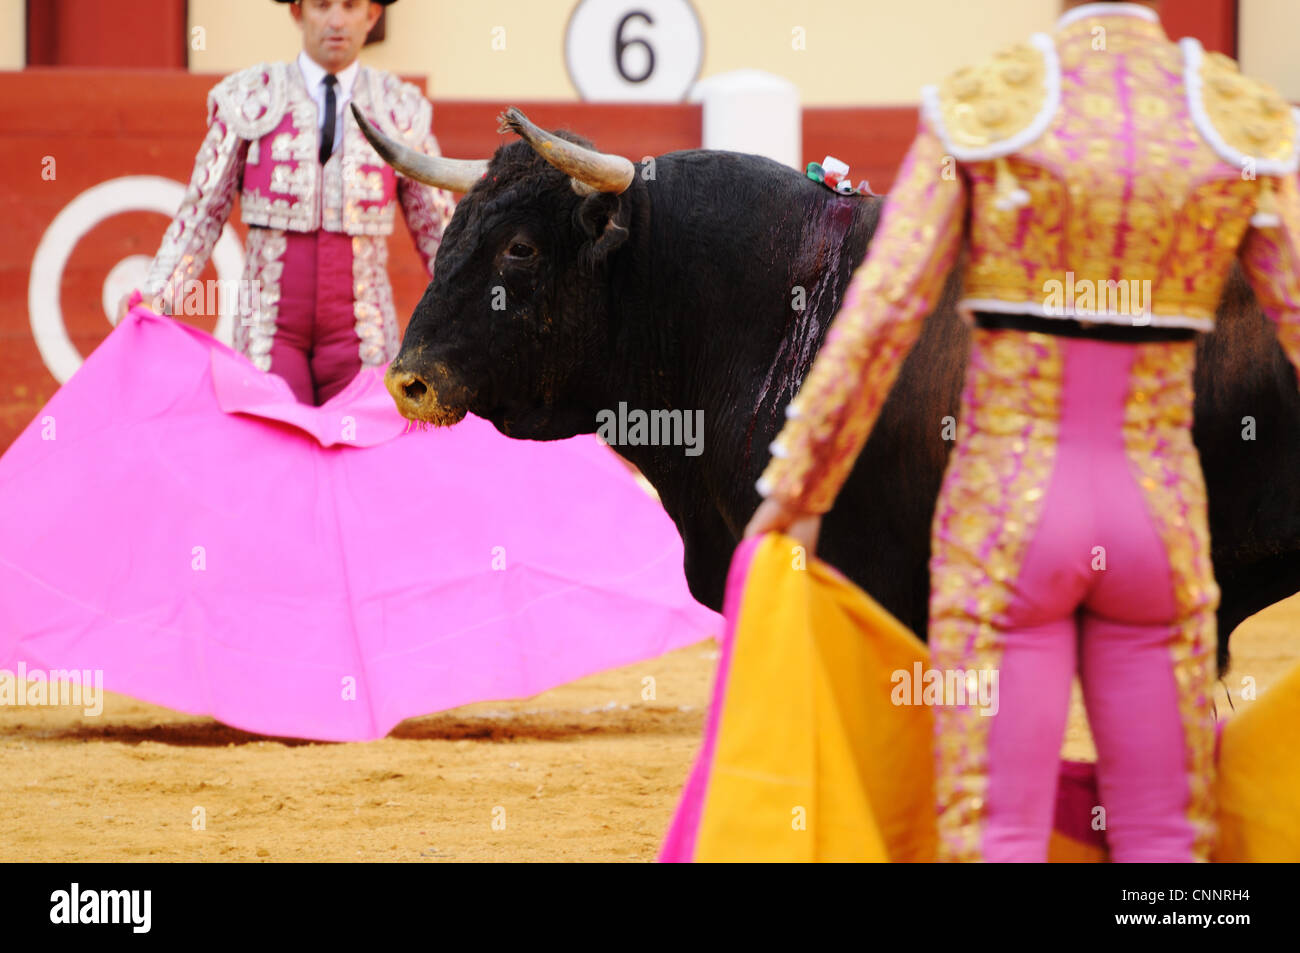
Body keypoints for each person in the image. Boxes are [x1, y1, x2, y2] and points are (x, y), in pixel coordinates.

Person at [746, 0, 1300, 862]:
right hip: (1157, 516)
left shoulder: (985, 105)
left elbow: (884, 313)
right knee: (1163, 840)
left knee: (998, 830)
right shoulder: (1238, 117)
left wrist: (797, 486)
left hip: (1009, 516)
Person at [120, 0, 454, 406]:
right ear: (297, 12)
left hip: (363, 332)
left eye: (350, 7)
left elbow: (438, 230)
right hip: (268, 329)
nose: (335, 21)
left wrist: (487, 306)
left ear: (372, 15)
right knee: (271, 444)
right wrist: (160, 294)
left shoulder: (399, 109)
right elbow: (203, 212)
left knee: (362, 449)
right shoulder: (250, 98)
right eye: (321, 5)